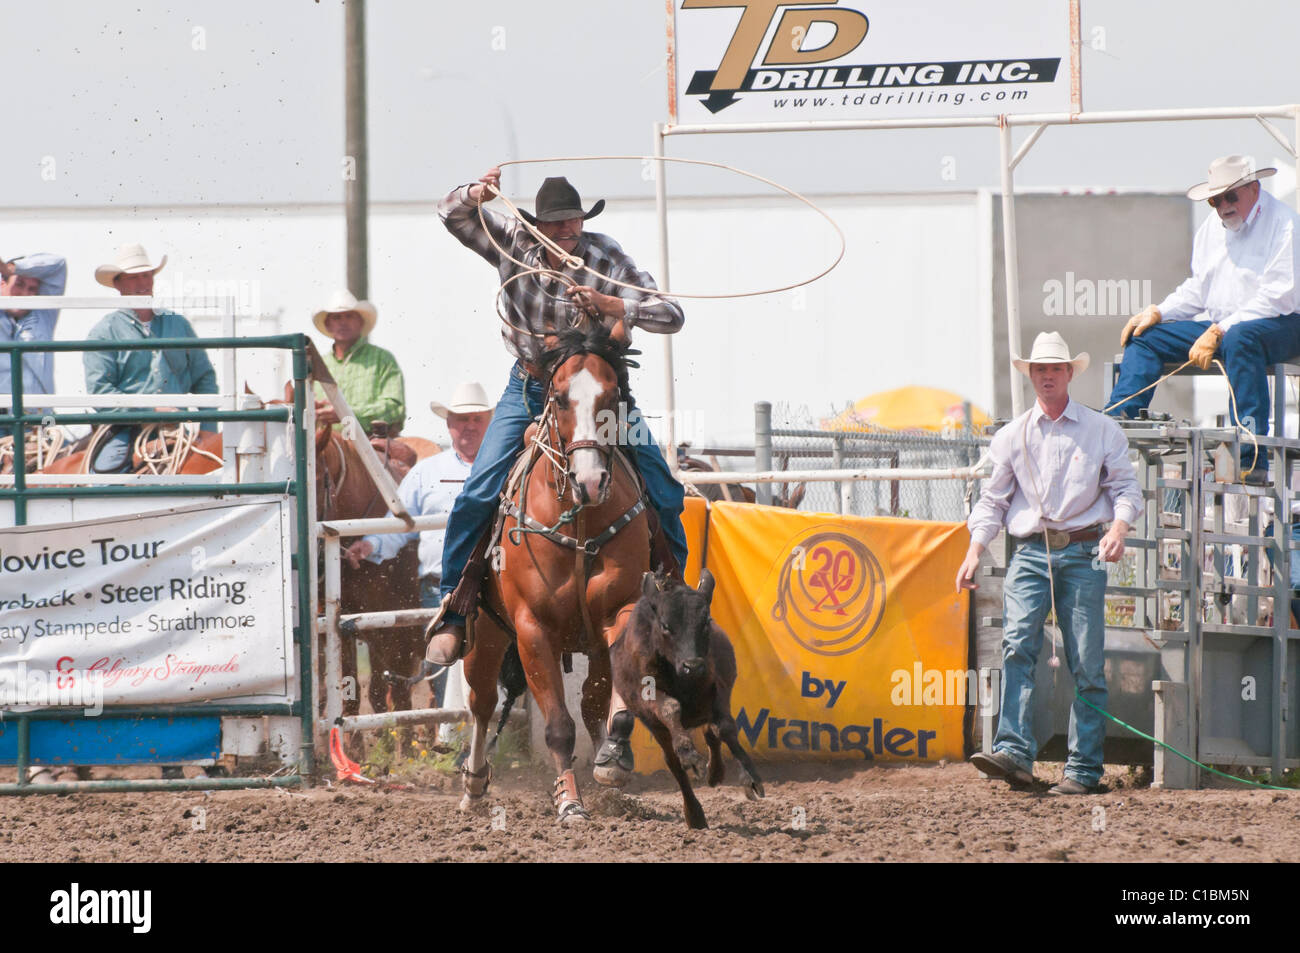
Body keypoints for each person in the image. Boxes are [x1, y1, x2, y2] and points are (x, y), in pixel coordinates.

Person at [425, 168, 689, 670]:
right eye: (557, 223)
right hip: (529, 386)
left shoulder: (605, 256)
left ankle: (674, 601)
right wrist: (473, 194)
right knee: (478, 491)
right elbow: (451, 214)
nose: (567, 231)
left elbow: (671, 315)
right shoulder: (513, 244)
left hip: (597, 394)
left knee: (663, 486)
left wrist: (615, 305)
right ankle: (455, 611)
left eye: (573, 221)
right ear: (538, 225)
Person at [957, 331, 1143, 795]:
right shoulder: (1011, 436)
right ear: (1031, 375)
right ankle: (1015, 751)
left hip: (1084, 549)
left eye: (1054, 369)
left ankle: (1082, 769)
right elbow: (992, 501)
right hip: (1031, 550)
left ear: (1068, 374)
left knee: (1086, 660)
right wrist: (975, 549)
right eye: (1039, 369)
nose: (1046, 376)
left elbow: (1126, 490)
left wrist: (1118, 528)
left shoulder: (1102, 430)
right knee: (1018, 644)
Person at [1109, 155, 1300, 482]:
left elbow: (1279, 295)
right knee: (1145, 338)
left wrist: (1220, 330)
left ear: (1254, 189)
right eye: (1216, 200)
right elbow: (1199, 287)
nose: (1223, 205)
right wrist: (1159, 311)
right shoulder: (1212, 227)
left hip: (1284, 322)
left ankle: (1249, 457)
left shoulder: (1285, 222)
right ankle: (1119, 419)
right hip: (1224, 326)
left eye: (1230, 197)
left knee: (1241, 338)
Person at [343, 381, 494, 714]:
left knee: (490, 667)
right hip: (441, 588)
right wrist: (369, 544)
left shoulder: (504, 466)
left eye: (476, 419)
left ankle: (487, 737)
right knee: (445, 666)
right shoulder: (427, 472)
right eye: (460, 419)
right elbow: (400, 525)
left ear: (488, 422)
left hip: (497, 587)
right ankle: (453, 737)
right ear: (449, 424)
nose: (468, 426)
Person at [83, 244, 218, 473]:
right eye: (134, 278)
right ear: (118, 284)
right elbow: (100, 392)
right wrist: (151, 410)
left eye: (146, 275)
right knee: (106, 476)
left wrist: (209, 430)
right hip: (127, 430)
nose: (143, 284)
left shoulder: (178, 324)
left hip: (177, 429)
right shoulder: (104, 332)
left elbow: (204, 378)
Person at [311, 290, 406, 440]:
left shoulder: (382, 359)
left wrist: (346, 413)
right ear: (328, 325)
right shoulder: (317, 365)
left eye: (349, 316)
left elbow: (395, 409)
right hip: (328, 446)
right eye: (337, 317)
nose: (343, 322)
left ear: (361, 322)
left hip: (372, 441)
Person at [1, 253, 67, 437]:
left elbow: (58, 264)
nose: (25, 294)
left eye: (32, 289)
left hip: (41, 422)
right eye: (19, 284)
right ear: (2, 284)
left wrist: (12, 269)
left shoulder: (44, 315)